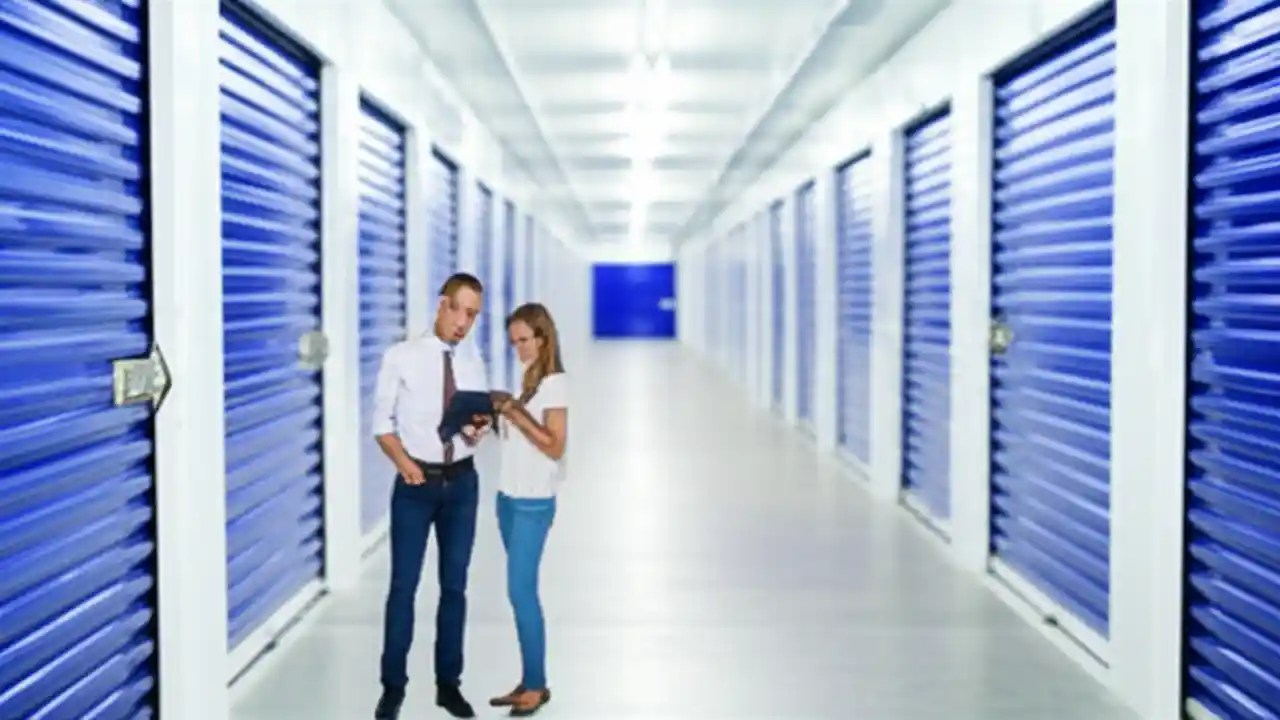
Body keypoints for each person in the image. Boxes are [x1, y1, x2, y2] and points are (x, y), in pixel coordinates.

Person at [371, 273, 493, 720]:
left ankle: (448, 686)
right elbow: (381, 425)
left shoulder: (473, 363)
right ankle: (392, 689)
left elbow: (473, 426)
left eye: (474, 315)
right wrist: (405, 464)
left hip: (462, 485)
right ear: (442, 304)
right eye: (460, 311)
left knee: (455, 587)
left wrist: (478, 429)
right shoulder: (402, 357)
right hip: (415, 487)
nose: (465, 323)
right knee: (403, 587)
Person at [486, 303, 570, 717]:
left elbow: (554, 445)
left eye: (524, 340)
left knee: (521, 592)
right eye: (513, 341)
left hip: (533, 503)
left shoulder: (554, 384)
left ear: (543, 337)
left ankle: (536, 685)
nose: (518, 348)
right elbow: (517, 438)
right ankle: (528, 680)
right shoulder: (528, 381)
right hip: (507, 498)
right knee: (519, 591)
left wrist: (512, 410)